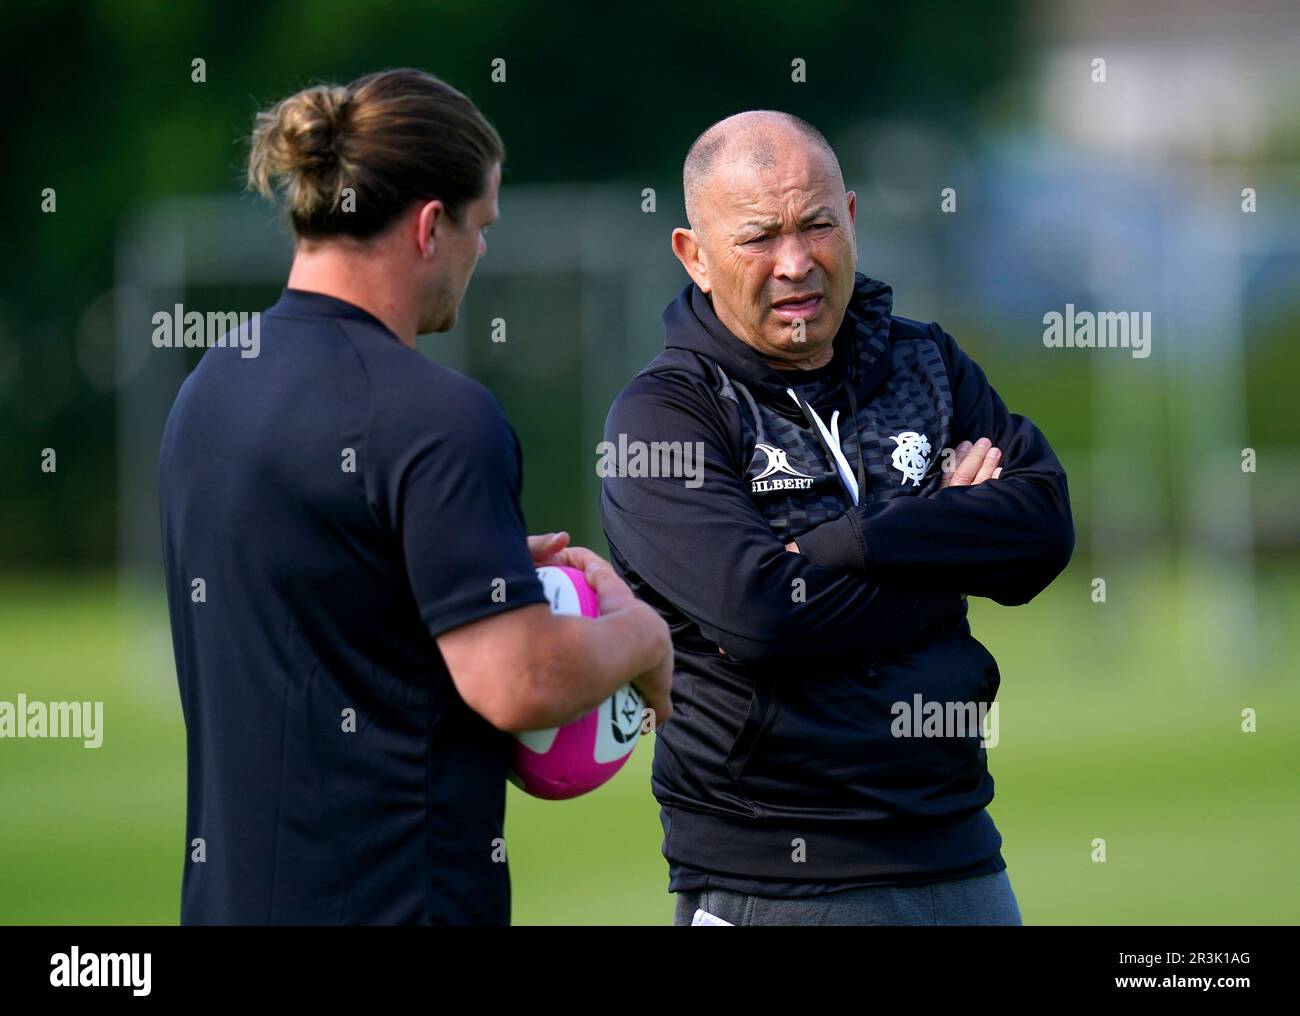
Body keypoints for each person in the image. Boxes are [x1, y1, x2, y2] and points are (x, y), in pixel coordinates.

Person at [158, 68, 671, 925]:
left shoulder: (207, 390)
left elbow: (325, 601)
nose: (483, 252)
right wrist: (642, 636)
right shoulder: (438, 418)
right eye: (482, 226)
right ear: (432, 225)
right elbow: (522, 682)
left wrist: (460, 574)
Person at [600, 110, 1074, 926]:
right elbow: (763, 615)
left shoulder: (927, 362)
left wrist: (855, 542)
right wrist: (949, 538)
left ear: (850, 220)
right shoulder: (663, 419)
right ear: (695, 255)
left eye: (817, 224)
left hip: (960, 854)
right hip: (772, 881)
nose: (795, 262)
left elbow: (1041, 529)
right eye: (758, 237)